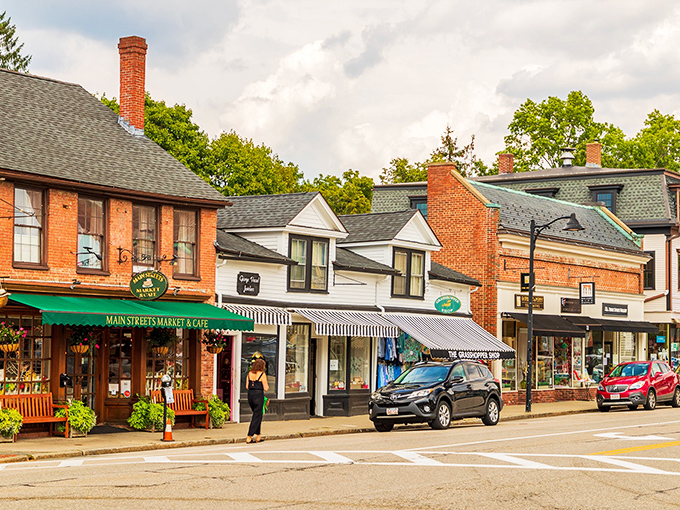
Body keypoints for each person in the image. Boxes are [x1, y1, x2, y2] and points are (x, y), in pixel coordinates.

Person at [246, 358, 269, 444]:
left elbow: (247, 386)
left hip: (250, 396)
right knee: (256, 416)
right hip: (258, 396)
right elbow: (266, 388)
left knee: (257, 415)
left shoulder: (249, 373)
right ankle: (249, 436)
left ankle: (258, 436)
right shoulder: (262, 374)